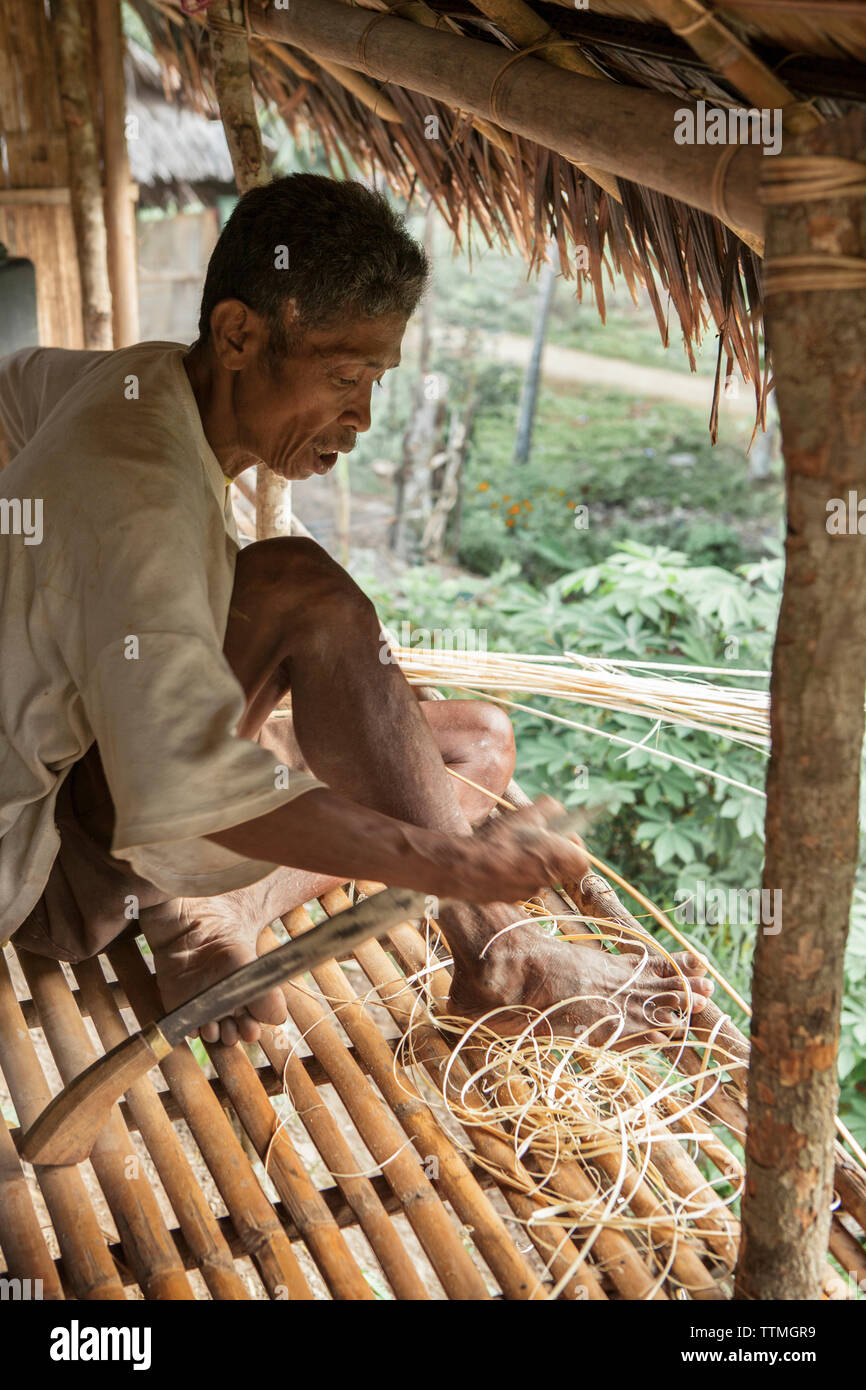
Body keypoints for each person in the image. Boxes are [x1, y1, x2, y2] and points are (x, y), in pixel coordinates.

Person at [0, 174, 711, 1047]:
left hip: (113, 755)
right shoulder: (142, 501)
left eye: (376, 378)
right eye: (343, 374)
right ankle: (500, 955)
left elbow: (12, 386)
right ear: (237, 335)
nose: (363, 415)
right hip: (40, 861)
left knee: (472, 749)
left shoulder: (132, 382)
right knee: (299, 585)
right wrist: (458, 863)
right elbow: (179, 792)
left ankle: (224, 911)